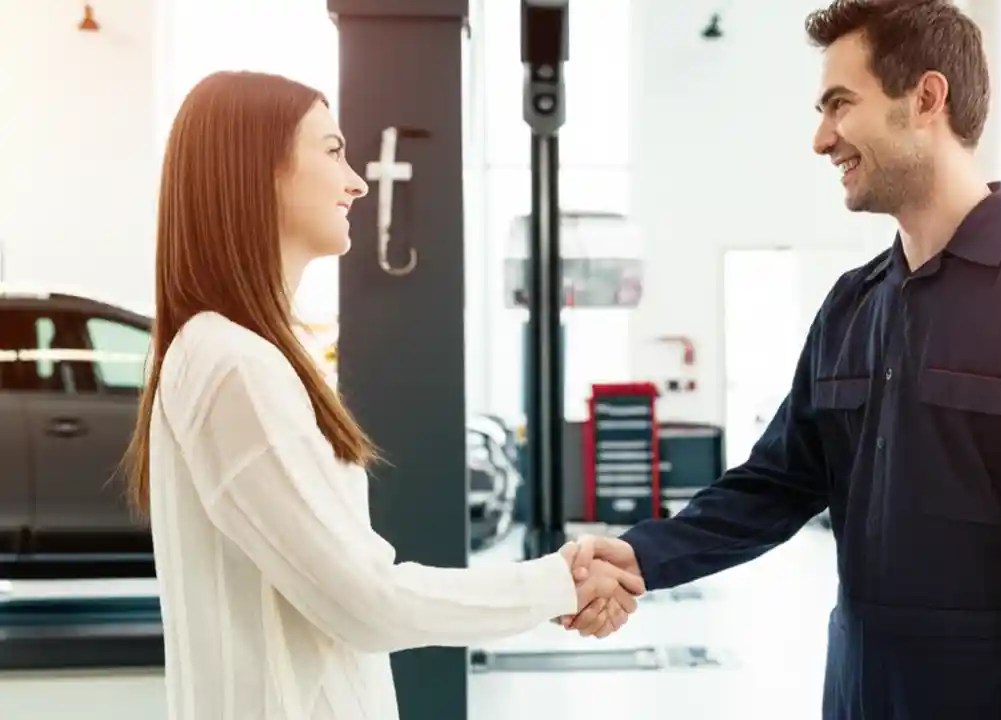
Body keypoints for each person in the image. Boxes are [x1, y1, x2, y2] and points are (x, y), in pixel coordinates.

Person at [564, 1, 1001, 718]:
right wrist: (641, 555)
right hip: (858, 696)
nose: (822, 139)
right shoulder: (854, 307)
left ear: (926, 99)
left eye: (839, 105)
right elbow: (776, 483)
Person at [121, 70, 643, 720]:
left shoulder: (235, 354)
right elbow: (365, 601)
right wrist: (557, 583)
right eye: (333, 149)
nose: (358, 181)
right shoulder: (233, 364)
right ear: (259, 169)